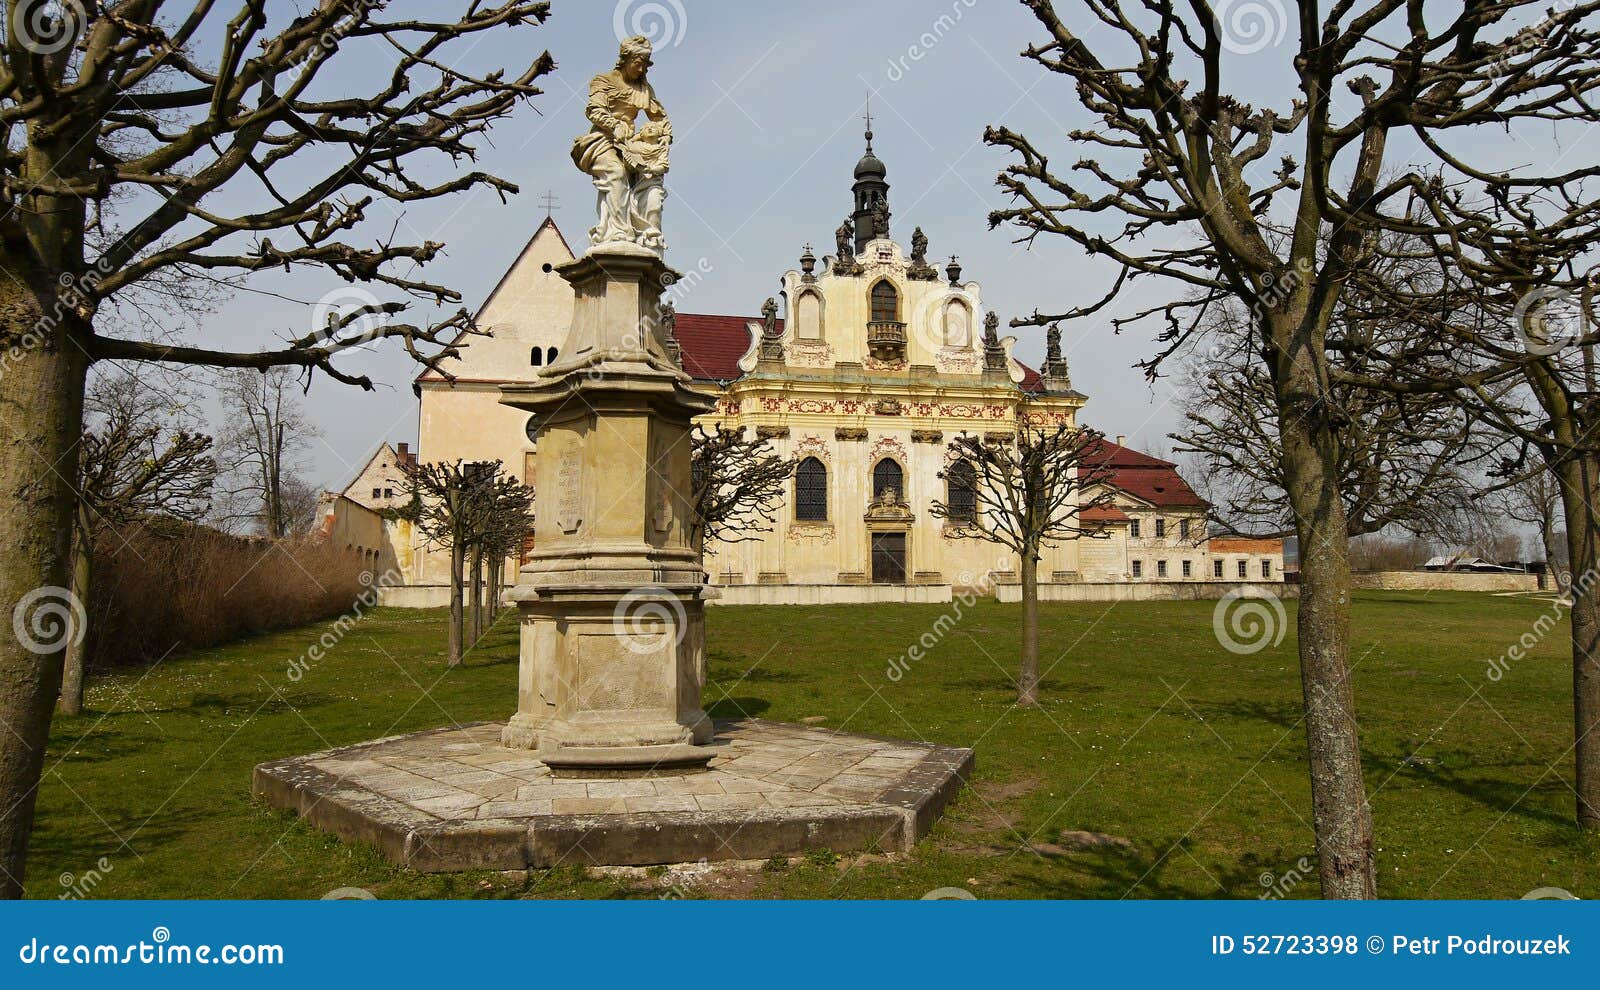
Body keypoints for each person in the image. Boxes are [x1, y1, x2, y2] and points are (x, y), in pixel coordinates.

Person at [571, 36, 672, 251]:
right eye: (638, 63)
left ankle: (645, 234)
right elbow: (594, 110)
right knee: (616, 174)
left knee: (648, 181)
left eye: (646, 64)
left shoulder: (644, 88)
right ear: (625, 59)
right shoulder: (603, 81)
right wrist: (614, 125)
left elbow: (659, 117)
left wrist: (664, 136)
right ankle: (617, 232)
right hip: (602, 140)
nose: (642, 69)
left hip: (629, 145)